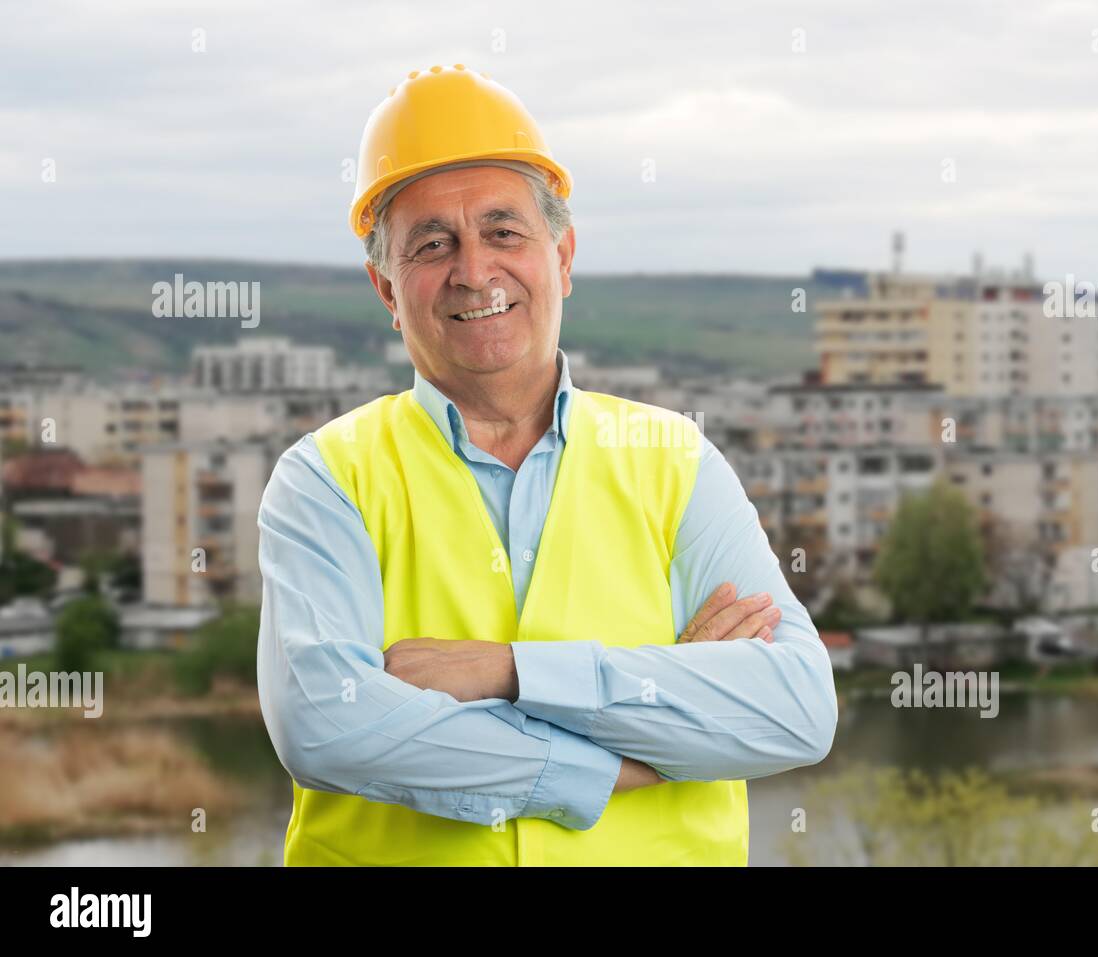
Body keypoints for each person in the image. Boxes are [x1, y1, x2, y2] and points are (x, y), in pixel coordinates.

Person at [256, 63, 838, 866]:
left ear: (561, 255)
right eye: (431, 243)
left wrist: (507, 672)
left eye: (503, 232)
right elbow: (328, 723)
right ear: (385, 288)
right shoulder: (324, 479)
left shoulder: (674, 460)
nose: (473, 269)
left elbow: (794, 709)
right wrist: (609, 760)